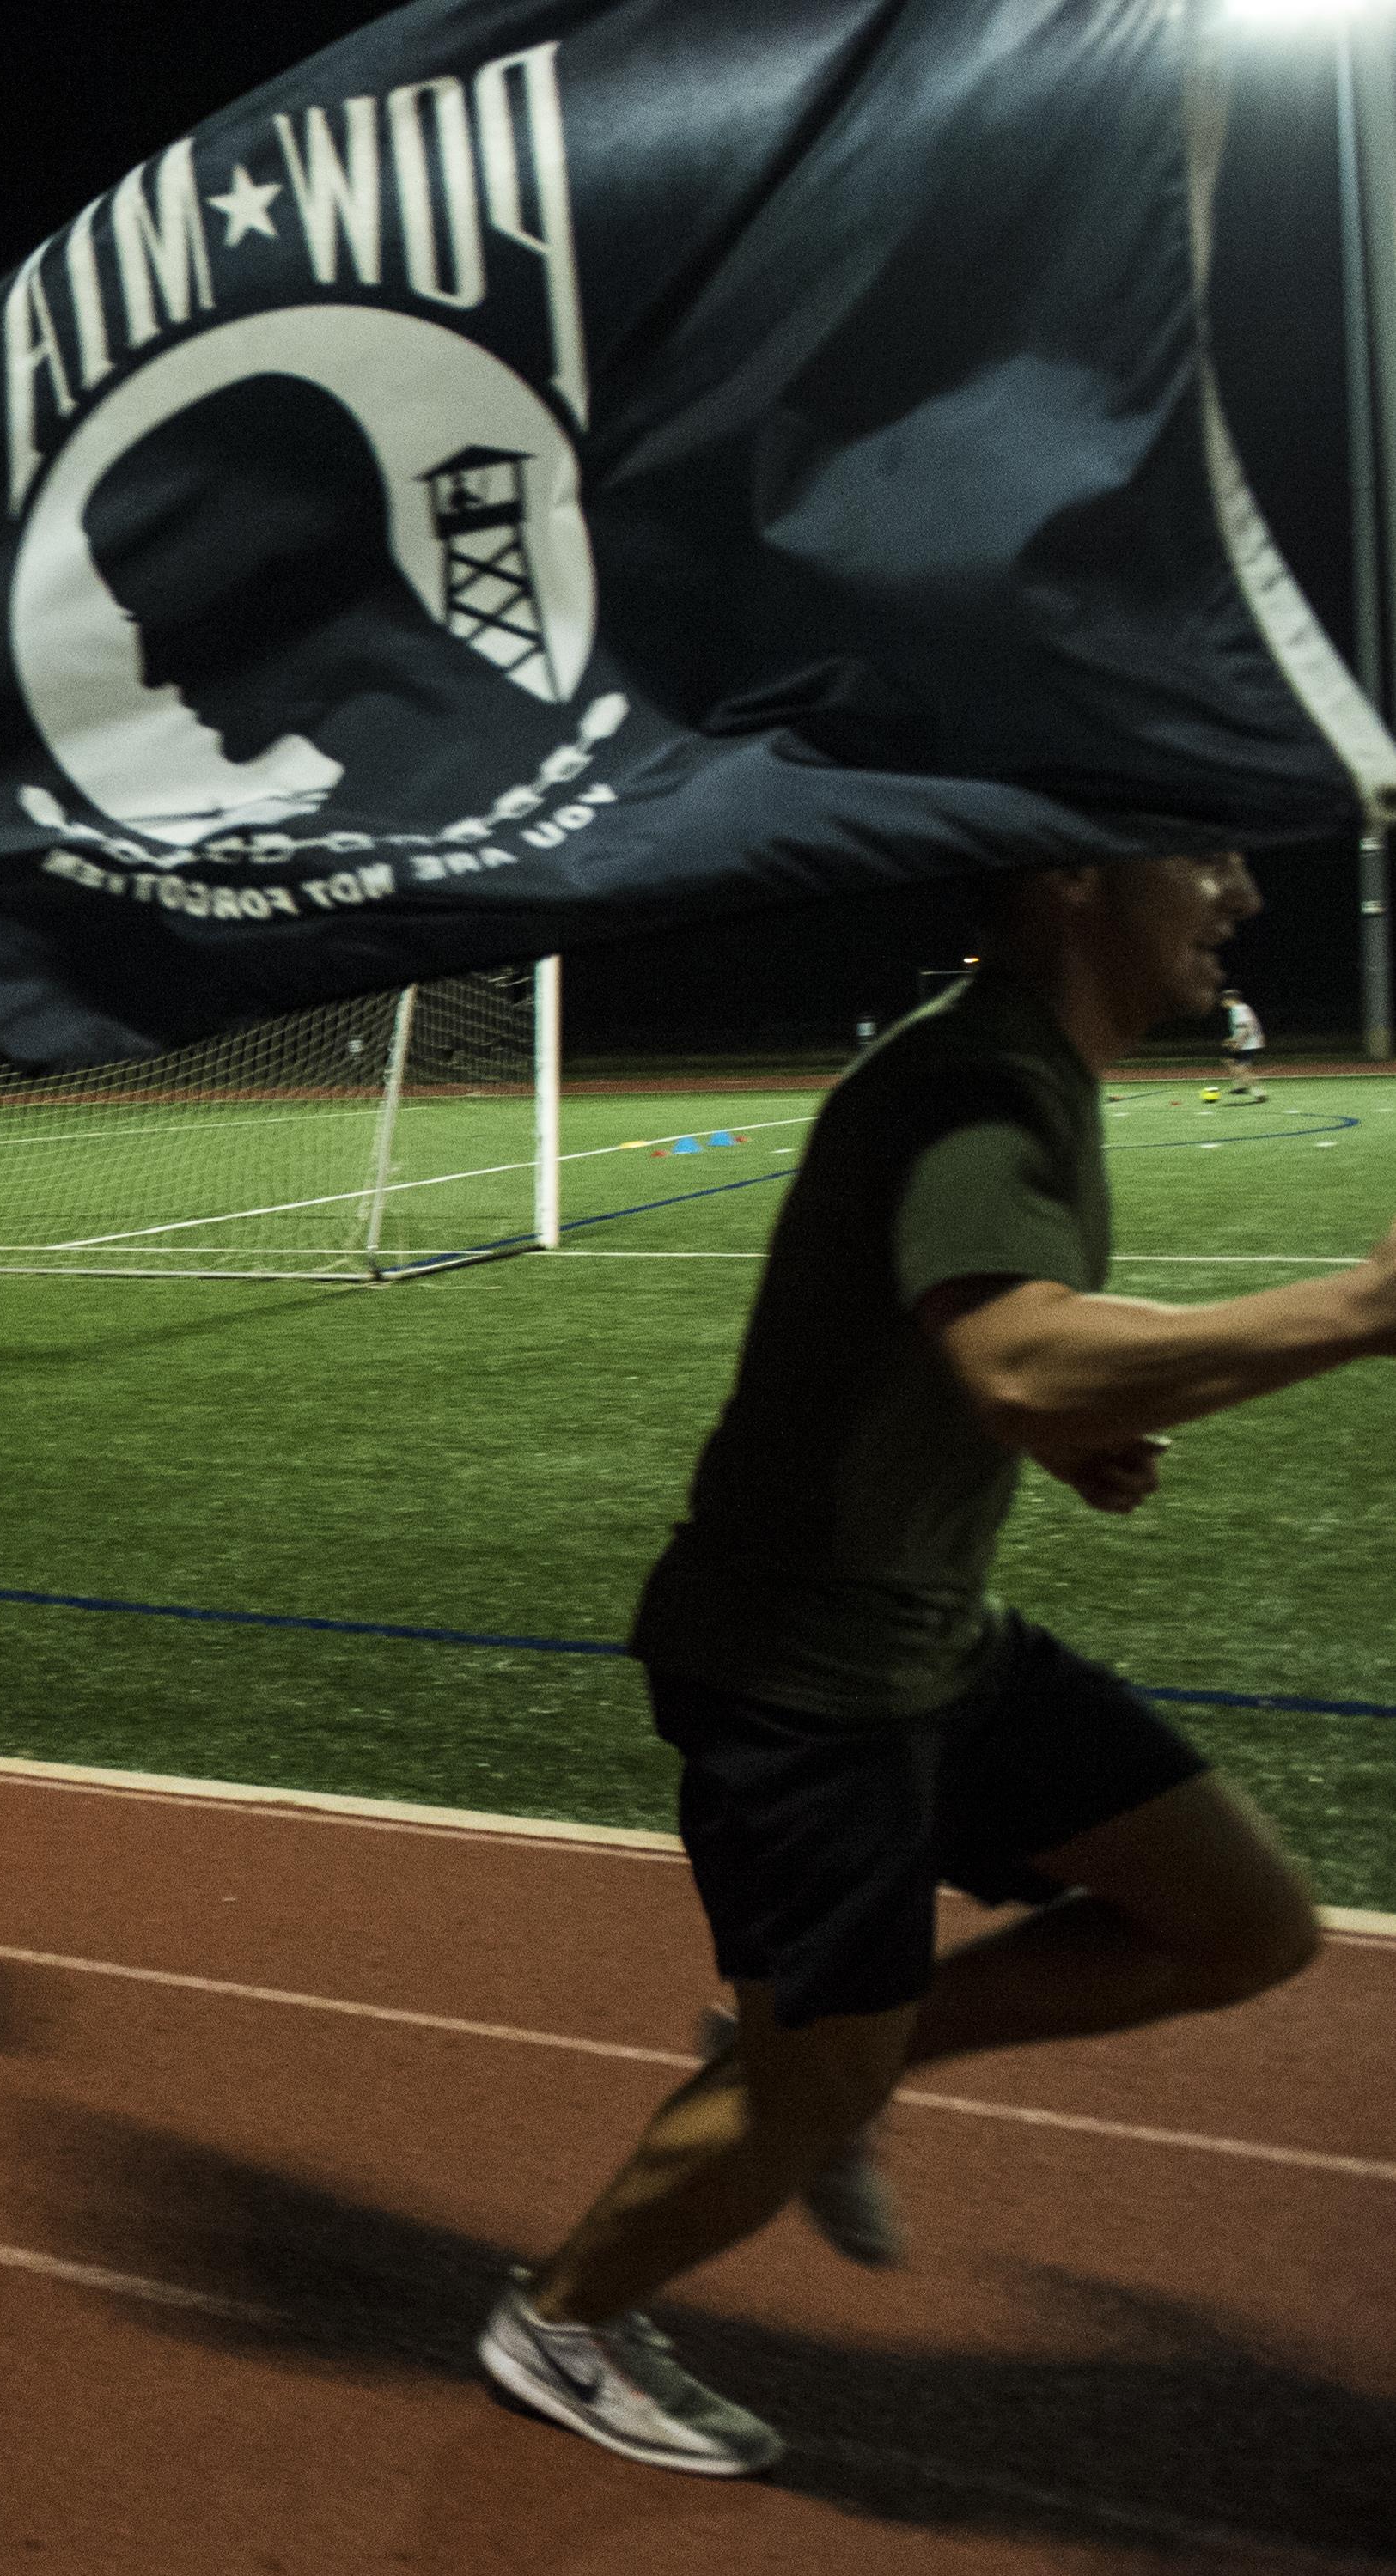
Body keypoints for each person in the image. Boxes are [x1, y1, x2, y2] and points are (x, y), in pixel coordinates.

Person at [479, 852, 1374, 2478]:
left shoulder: (1021, 1061)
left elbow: (972, 1355)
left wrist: (1048, 1433)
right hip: (802, 1677)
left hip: (930, 1641)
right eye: (1209, 856)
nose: (1244, 894)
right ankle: (561, 2320)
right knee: (796, 2098)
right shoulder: (978, 1081)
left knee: (1241, 1924)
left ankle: (837, 2060)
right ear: (1077, 881)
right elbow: (1021, 1357)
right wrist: (1367, 1305)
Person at [1220, 982, 1267, 1101]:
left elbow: (1244, 1028)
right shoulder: (1243, 1008)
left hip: (1246, 1044)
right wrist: (1232, 1040)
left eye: (1224, 1000)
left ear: (1231, 1000)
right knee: (1229, 1060)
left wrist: (1237, 1042)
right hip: (1247, 1041)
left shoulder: (1237, 1009)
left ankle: (1259, 1093)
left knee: (1242, 1070)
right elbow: (1249, 1025)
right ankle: (1240, 1087)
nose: (1222, 1003)